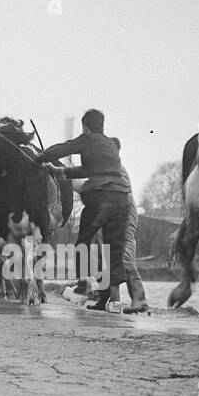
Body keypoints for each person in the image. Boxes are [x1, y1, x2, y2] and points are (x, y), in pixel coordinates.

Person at [38, 109, 147, 312]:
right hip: (118, 203)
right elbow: (87, 174)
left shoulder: (99, 151)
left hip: (111, 204)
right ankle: (111, 300)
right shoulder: (109, 156)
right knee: (109, 254)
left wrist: (45, 160)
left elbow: (71, 160)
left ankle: (132, 300)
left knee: (106, 252)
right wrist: (63, 172)